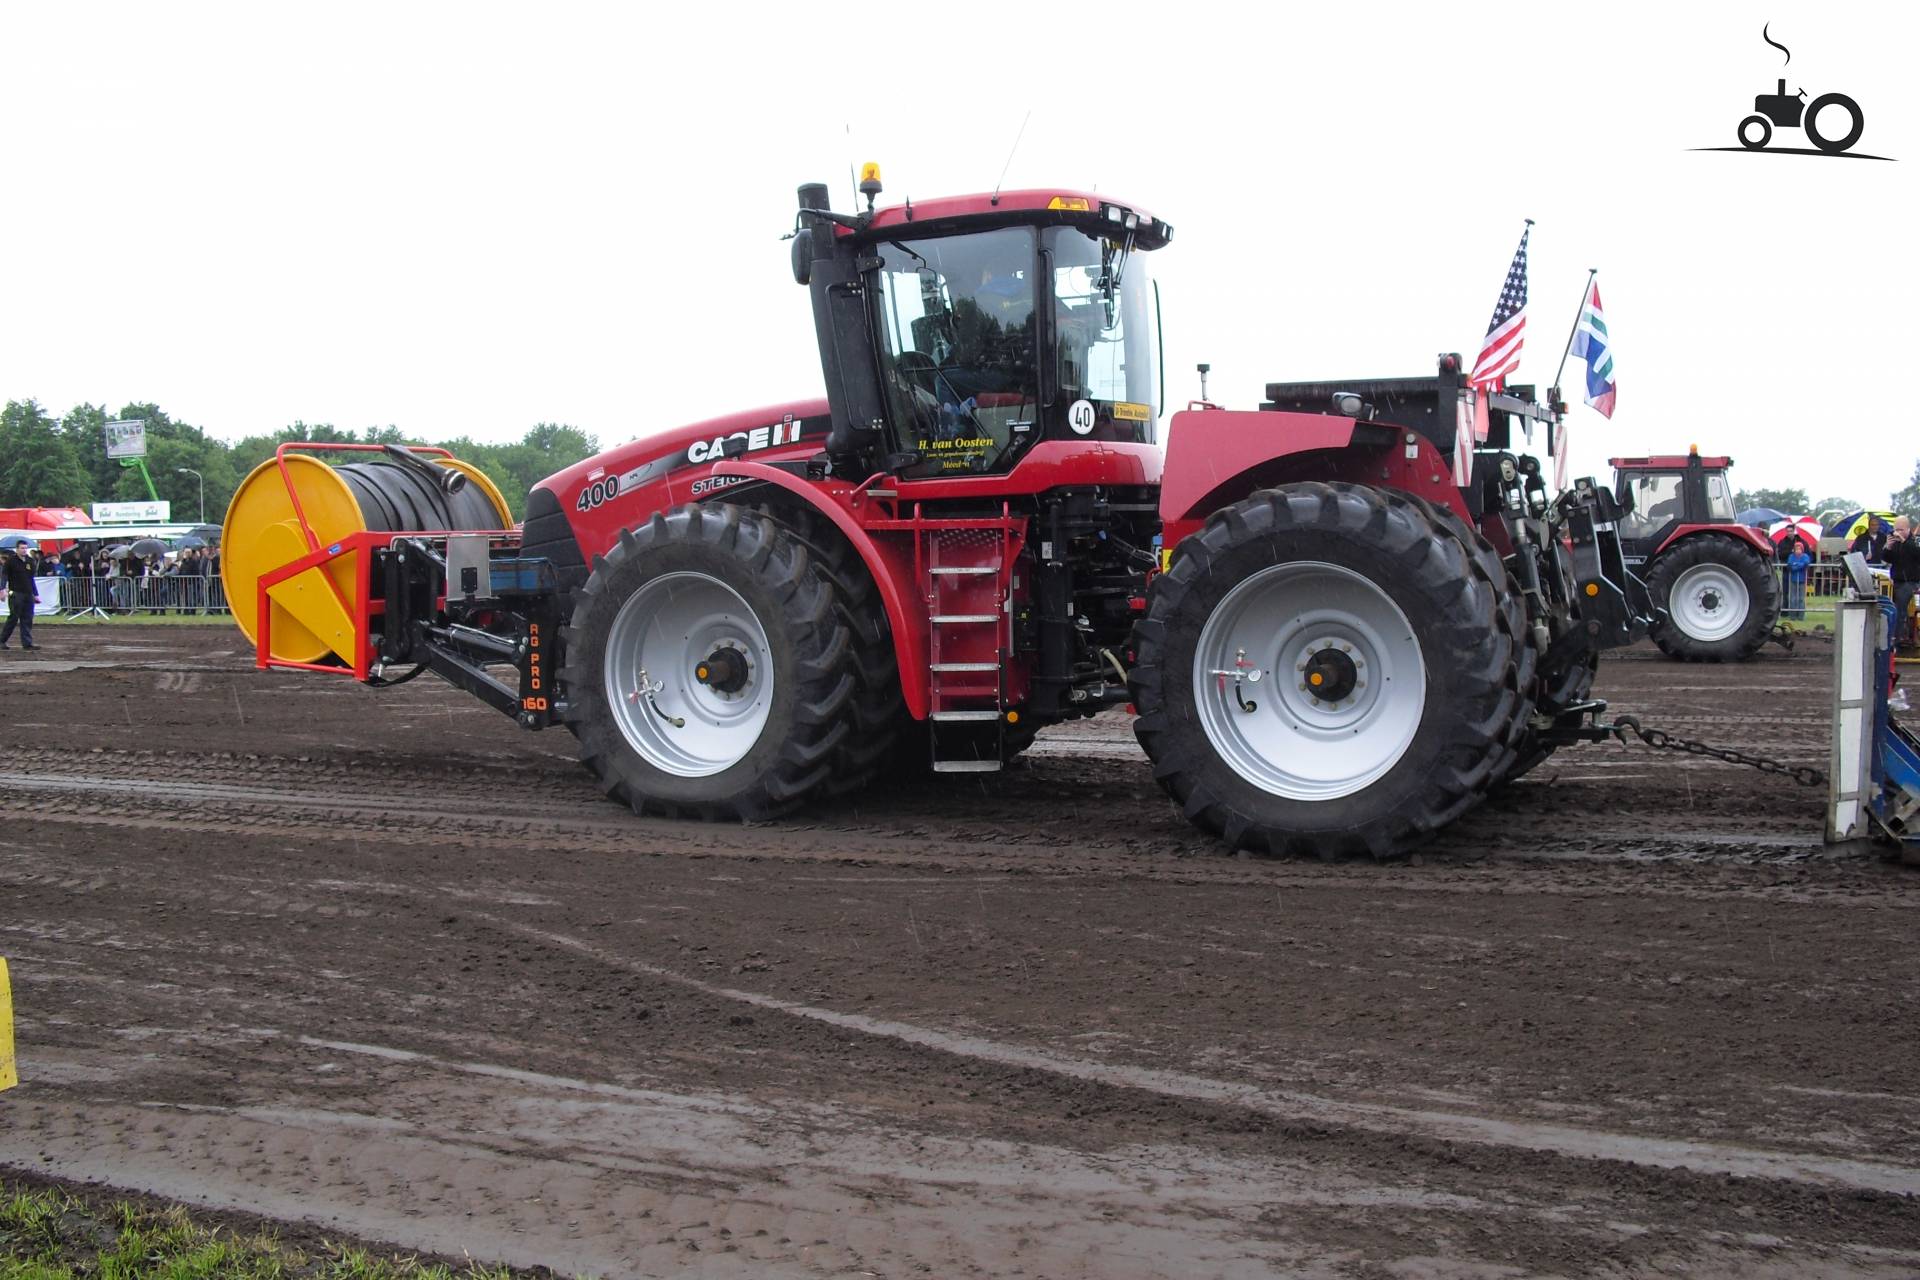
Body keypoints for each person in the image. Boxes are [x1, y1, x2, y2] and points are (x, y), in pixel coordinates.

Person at [1886, 516, 1920, 649]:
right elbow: (1886, 558)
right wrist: (1888, 547)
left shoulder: (1915, 541)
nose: (1897, 533)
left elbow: (1917, 554)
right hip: (1897, 580)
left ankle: (1897, 638)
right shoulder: (1895, 543)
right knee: (1894, 607)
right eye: (1896, 530)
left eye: (1900, 529)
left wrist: (1904, 542)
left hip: (1911, 581)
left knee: (1900, 607)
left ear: (1908, 529)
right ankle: (1897, 635)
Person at [0, 541, 40, 650]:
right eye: (22, 548)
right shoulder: (11, 561)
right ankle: (2, 640)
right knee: (13, 618)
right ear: (17, 549)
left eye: (25, 548)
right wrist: (2, 589)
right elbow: (4, 576)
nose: (24, 550)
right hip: (16, 593)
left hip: (28, 594)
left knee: (27, 618)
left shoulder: (30, 561)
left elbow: (31, 579)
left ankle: (27, 643)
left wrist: (36, 594)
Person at [1784, 538, 1812, 621]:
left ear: (1802, 549)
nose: (1798, 550)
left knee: (1801, 599)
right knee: (1793, 598)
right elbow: (1790, 565)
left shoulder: (1805, 556)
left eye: (1799, 549)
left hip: (1802, 580)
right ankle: (1792, 616)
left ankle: (1801, 616)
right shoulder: (1791, 556)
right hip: (1793, 579)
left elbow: (1806, 563)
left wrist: (1796, 565)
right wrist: (1800, 565)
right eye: (1796, 549)